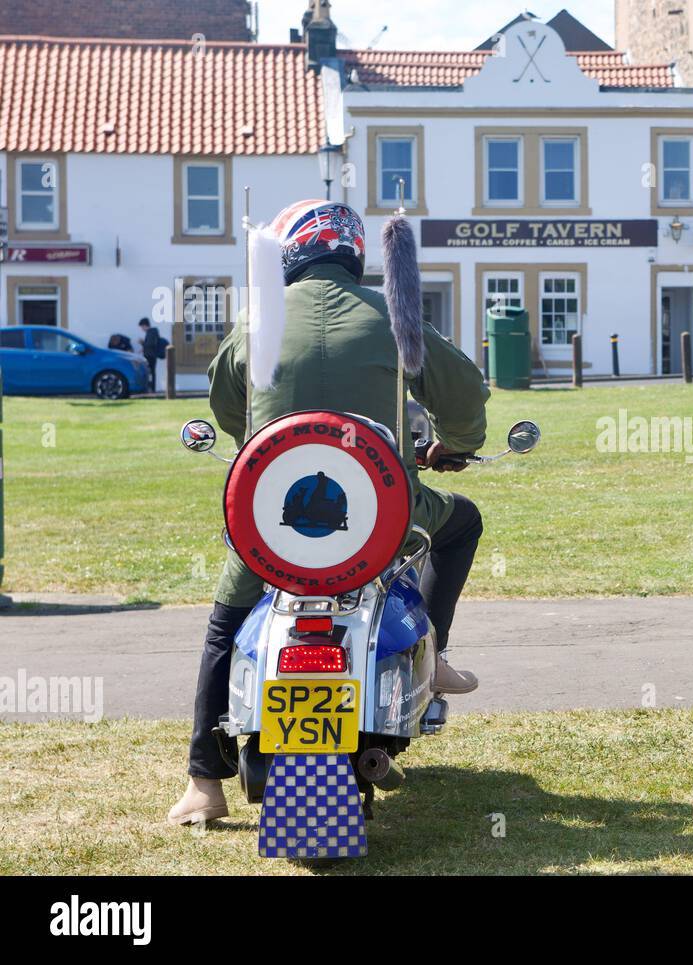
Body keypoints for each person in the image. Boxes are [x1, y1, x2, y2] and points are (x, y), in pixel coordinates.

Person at [168, 199, 490, 826]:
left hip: (270, 530)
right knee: (463, 523)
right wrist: (455, 446)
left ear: (290, 253)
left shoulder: (255, 321)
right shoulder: (392, 317)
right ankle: (436, 657)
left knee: (224, 626)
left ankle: (204, 785)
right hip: (383, 521)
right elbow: (463, 393)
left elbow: (231, 411)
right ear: (355, 256)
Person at [138, 318, 161, 392]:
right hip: (150, 355)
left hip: (150, 356)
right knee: (151, 372)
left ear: (145, 325)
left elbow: (150, 344)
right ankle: (151, 388)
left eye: (142, 327)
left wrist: (142, 343)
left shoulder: (151, 332)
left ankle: (151, 389)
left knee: (150, 372)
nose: (142, 329)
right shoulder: (151, 332)